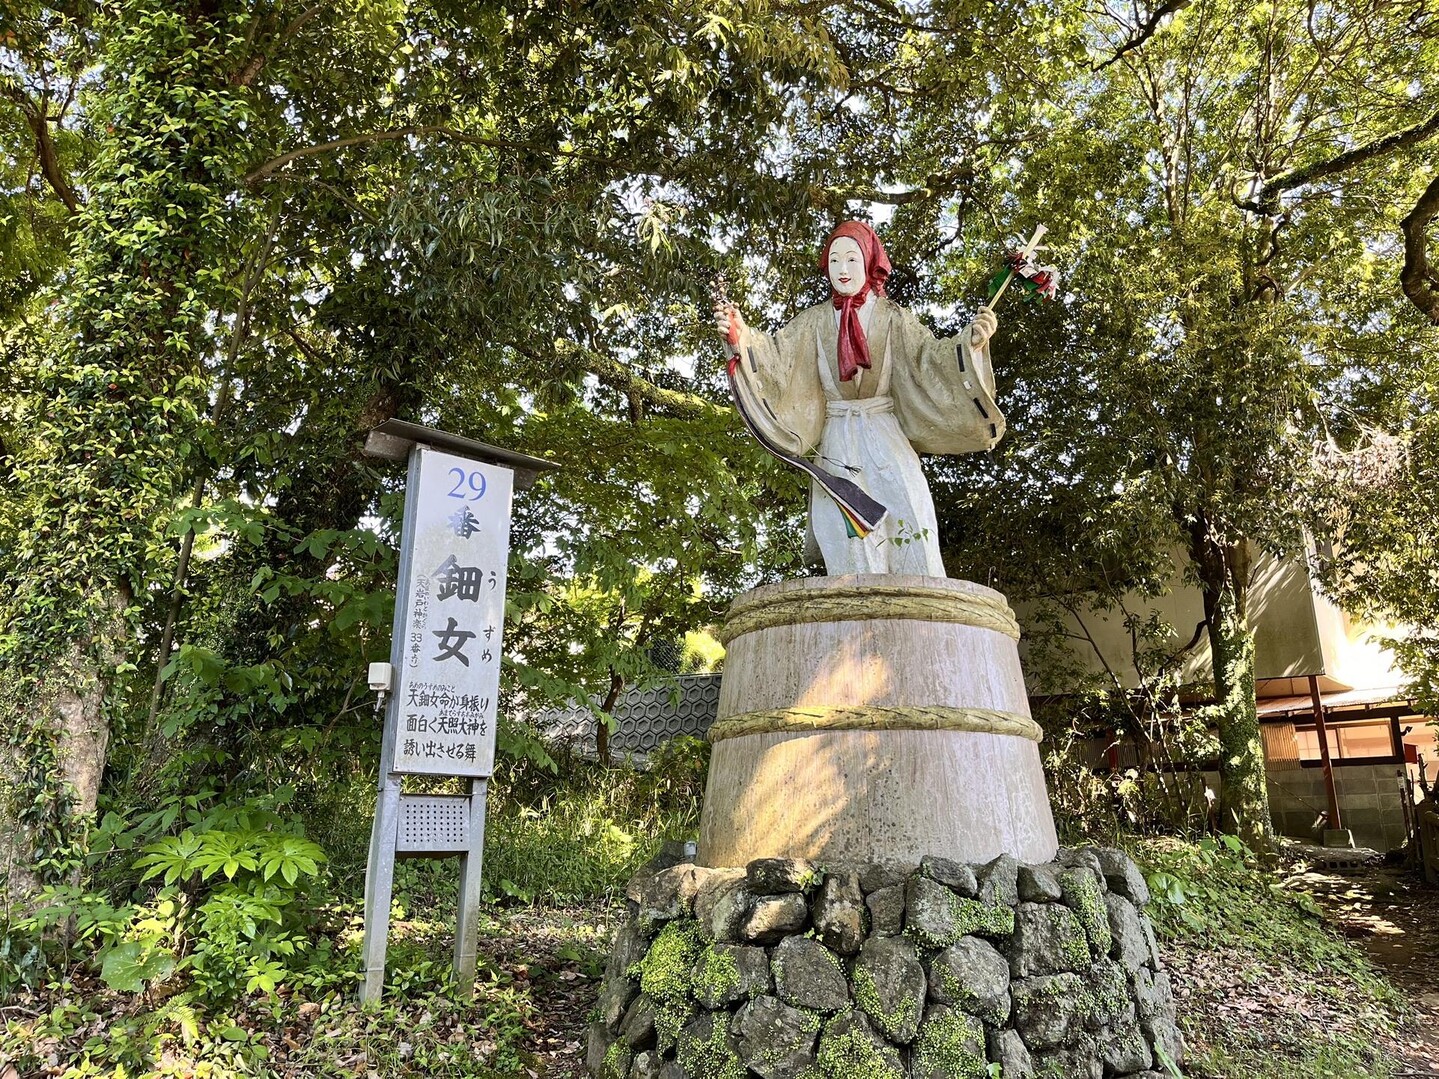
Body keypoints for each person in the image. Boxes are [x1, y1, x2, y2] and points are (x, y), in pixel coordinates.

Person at [713, 220, 1002, 576]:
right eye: (834, 261)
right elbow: (776, 359)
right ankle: (853, 596)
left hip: (884, 431)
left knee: (907, 508)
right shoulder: (814, 321)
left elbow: (930, 358)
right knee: (846, 529)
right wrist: (739, 335)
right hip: (837, 438)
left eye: (851, 259)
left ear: (868, 261)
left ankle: (919, 600)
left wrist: (969, 343)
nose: (843, 270)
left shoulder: (892, 317)